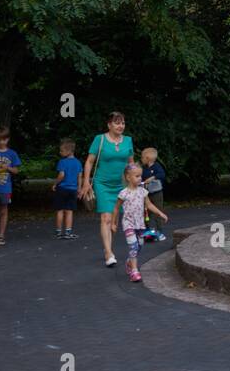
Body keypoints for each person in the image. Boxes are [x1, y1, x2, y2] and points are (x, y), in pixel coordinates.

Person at [81, 112, 135, 267]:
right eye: (117, 123)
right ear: (109, 125)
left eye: (123, 123)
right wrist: (86, 182)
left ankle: (108, 248)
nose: (121, 126)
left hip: (122, 185)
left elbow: (131, 164)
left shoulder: (128, 141)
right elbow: (89, 161)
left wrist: (135, 181)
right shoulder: (100, 139)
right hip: (102, 184)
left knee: (114, 220)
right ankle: (108, 252)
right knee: (106, 217)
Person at [114, 164, 168, 283]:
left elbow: (149, 205)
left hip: (140, 224)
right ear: (128, 178)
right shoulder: (124, 193)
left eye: (140, 176)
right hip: (128, 224)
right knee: (133, 246)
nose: (140, 178)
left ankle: (129, 262)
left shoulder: (143, 191)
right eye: (137, 176)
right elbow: (116, 208)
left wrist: (160, 213)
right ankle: (134, 271)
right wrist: (114, 223)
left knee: (140, 245)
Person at [53, 139, 82, 240]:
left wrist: (55, 183)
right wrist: (79, 188)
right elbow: (79, 177)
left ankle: (58, 232)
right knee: (69, 211)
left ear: (69, 151)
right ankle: (68, 232)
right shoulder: (78, 163)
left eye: (62, 151)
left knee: (60, 210)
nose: (60, 153)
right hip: (73, 189)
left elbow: (61, 175)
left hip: (62, 189)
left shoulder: (62, 162)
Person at [139, 147, 167, 241]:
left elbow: (162, 175)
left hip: (156, 193)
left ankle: (160, 231)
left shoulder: (156, 166)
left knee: (158, 211)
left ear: (147, 158)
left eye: (142, 157)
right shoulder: (143, 168)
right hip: (146, 193)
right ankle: (147, 231)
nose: (141, 159)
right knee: (146, 212)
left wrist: (153, 177)